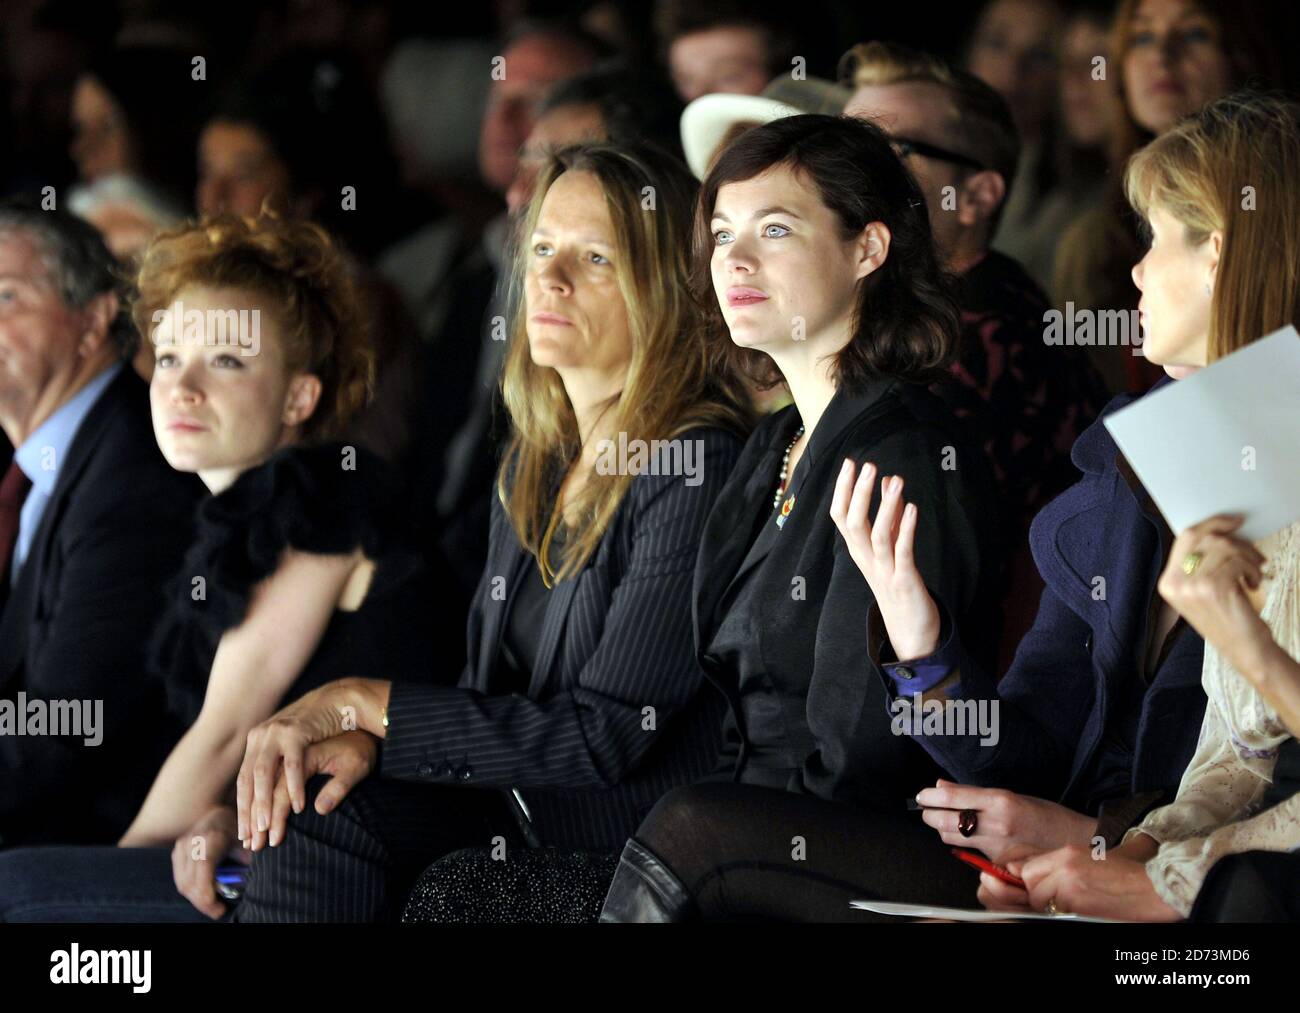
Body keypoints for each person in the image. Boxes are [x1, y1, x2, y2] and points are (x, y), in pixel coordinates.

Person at [219, 140, 753, 923]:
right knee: (318, 807)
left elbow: (605, 736)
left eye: (596, 257)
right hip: (513, 814)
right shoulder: (534, 461)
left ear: (666, 288)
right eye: (541, 248)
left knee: (407, 868)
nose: (550, 276)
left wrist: (364, 702)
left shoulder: (692, 464)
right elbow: (485, 686)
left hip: (627, 854)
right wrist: (377, 747)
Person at [600, 113, 1003, 922]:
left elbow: (864, 755)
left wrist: (742, 865)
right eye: (721, 234)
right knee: (473, 883)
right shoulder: (776, 440)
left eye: (774, 229)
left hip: (859, 849)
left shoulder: (904, 452)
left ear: (867, 249)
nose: (735, 260)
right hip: (737, 836)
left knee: (684, 829)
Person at [0, 211, 438, 921]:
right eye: (168, 358)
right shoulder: (229, 519)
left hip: (347, 876)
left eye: (227, 361)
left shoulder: (317, 498)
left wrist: (89, 889)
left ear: (299, 396)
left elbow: (225, 734)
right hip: (255, 851)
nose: (183, 386)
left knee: (19, 894)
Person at [973, 92, 1300, 922]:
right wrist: (1123, 860)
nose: (1135, 271)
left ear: (1219, 254)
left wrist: (1170, 882)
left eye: (1154, 240)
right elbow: (1234, 760)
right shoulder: (1233, 439)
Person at [840, 43, 1109, 660]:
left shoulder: (985, 334)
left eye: (892, 153)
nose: (850, 174)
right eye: (843, 148)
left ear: (980, 195)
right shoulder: (925, 313)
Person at [0, 201, 204, 849]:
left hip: (89, 845)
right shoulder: (40, 460)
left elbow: (65, 729)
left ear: (92, 322)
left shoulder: (134, 476)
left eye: (7, 296)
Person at [1052, 0, 1282, 393]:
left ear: (1243, 54)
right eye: (1142, 37)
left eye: (1195, 34)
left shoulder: (1277, 215)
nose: (1162, 55)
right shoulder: (1089, 243)